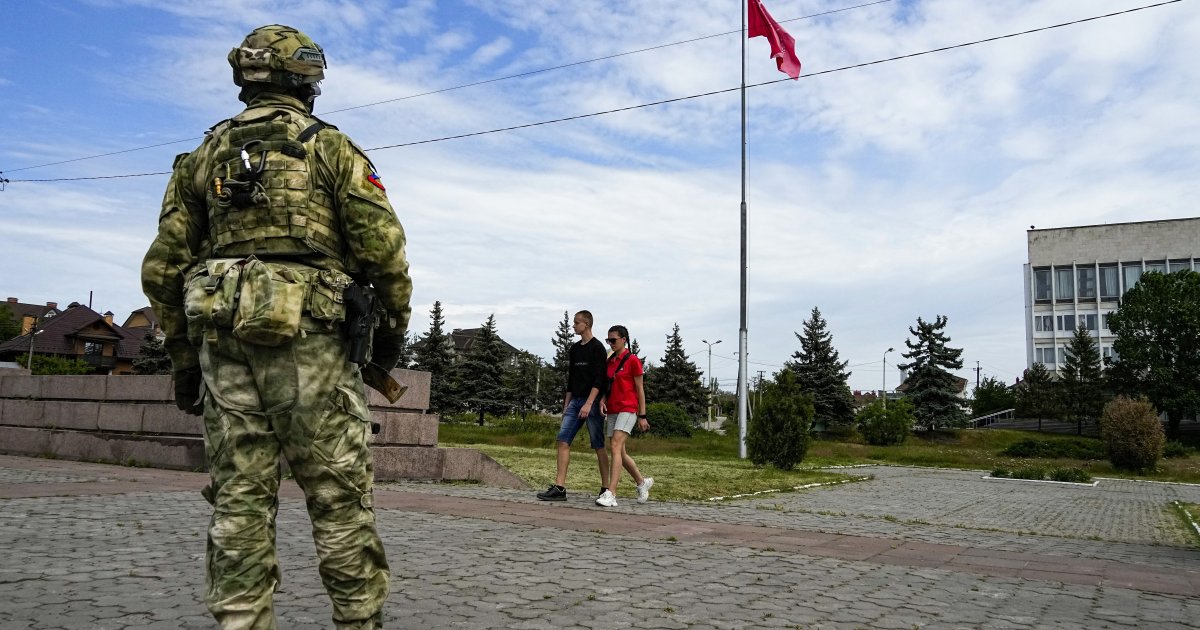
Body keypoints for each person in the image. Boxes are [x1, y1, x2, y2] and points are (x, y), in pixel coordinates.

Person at [141, 24, 410, 630]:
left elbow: (163, 270)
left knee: (239, 501)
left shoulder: (202, 158)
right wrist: (385, 348)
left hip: (220, 342)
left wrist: (187, 365)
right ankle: (358, 622)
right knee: (339, 499)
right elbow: (385, 255)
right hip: (312, 343)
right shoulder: (333, 150)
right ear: (308, 80)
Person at [536, 310, 610, 501]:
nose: (574, 326)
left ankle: (606, 488)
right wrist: (567, 404)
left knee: (598, 445)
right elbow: (571, 378)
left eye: (577, 323)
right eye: (574, 323)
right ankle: (560, 488)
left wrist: (589, 402)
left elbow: (599, 379)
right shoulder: (575, 349)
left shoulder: (598, 348)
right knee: (563, 440)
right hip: (575, 401)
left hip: (590, 402)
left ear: (587, 324)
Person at [596, 325, 653, 507]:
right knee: (619, 451)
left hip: (628, 409)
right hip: (612, 409)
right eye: (608, 340)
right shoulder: (610, 361)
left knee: (614, 445)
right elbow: (609, 385)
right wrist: (602, 400)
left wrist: (642, 415)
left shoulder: (633, 361)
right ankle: (642, 482)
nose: (610, 343)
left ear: (623, 339)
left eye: (613, 340)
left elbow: (640, 389)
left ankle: (611, 493)